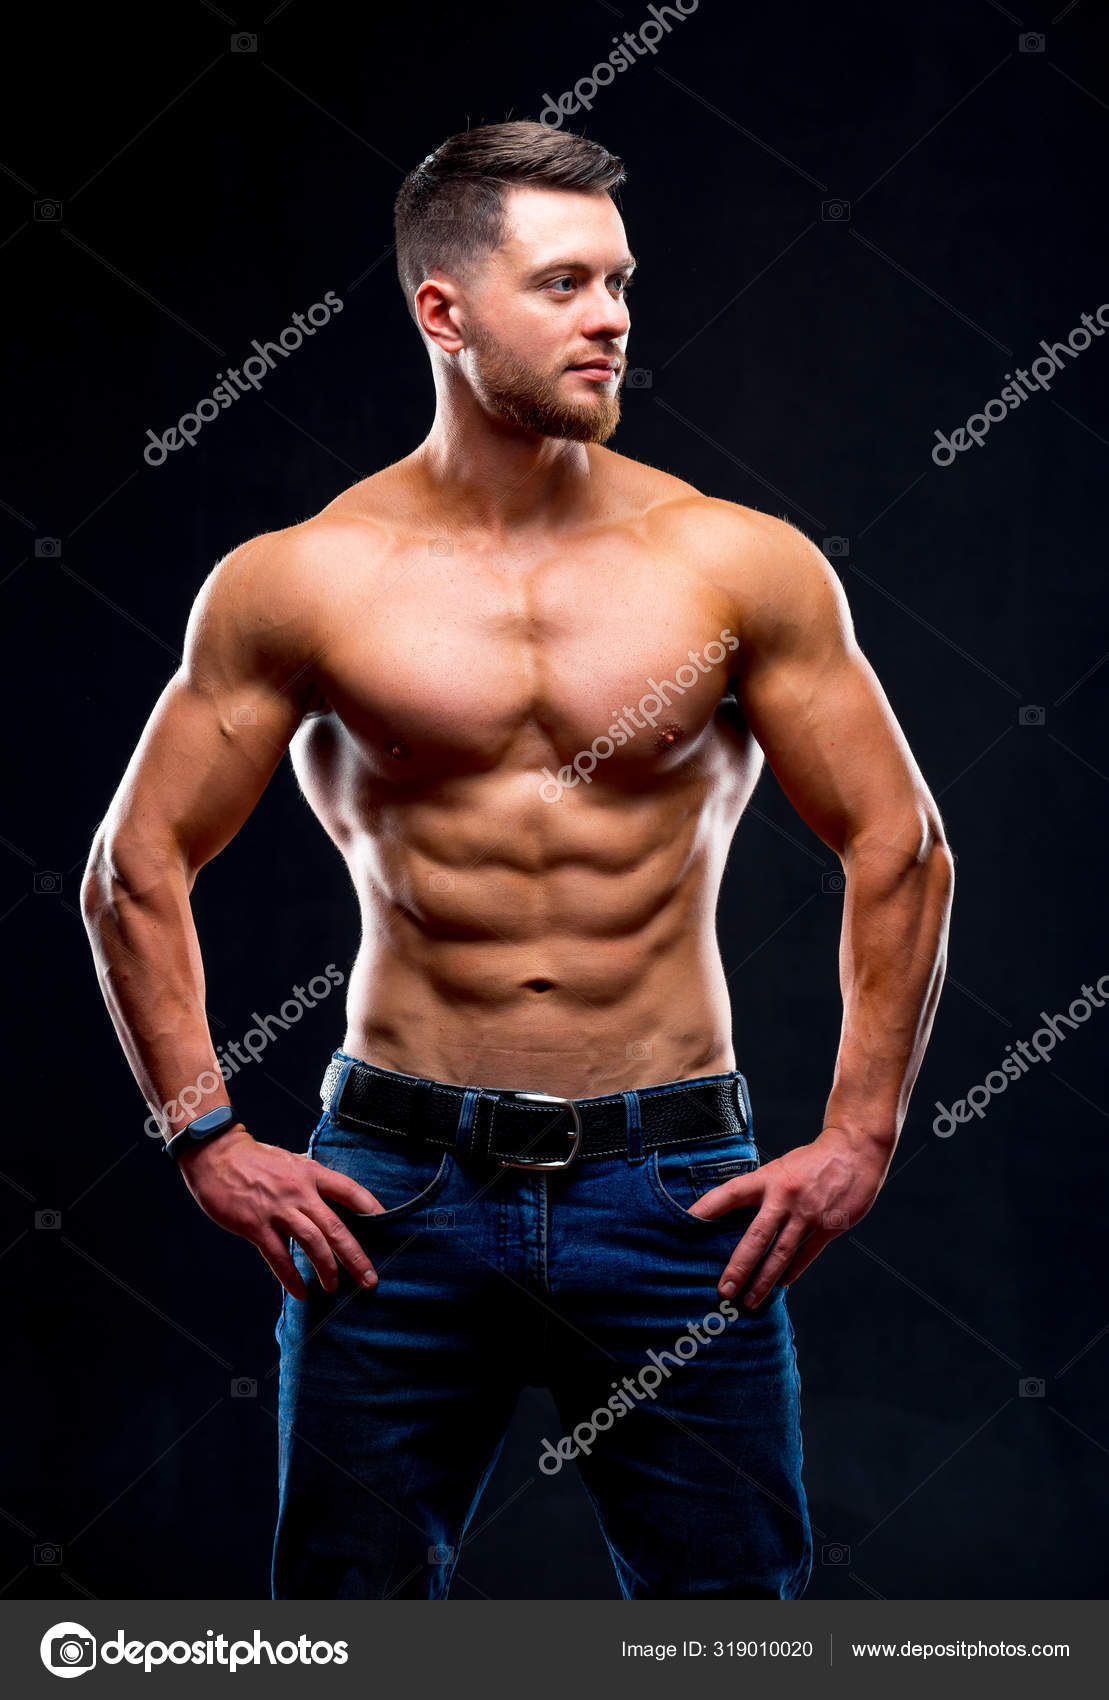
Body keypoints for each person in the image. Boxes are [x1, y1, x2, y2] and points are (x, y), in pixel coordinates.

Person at [81, 120, 954, 1601]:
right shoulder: (305, 578)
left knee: (731, 1634)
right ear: (444, 312)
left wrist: (859, 1136)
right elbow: (133, 865)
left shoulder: (732, 563)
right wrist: (205, 1138)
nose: (611, 316)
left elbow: (902, 844)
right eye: (562, 285)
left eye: (618, 282)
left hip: (675, 1187)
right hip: (394, 1198)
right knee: (350, 1631)